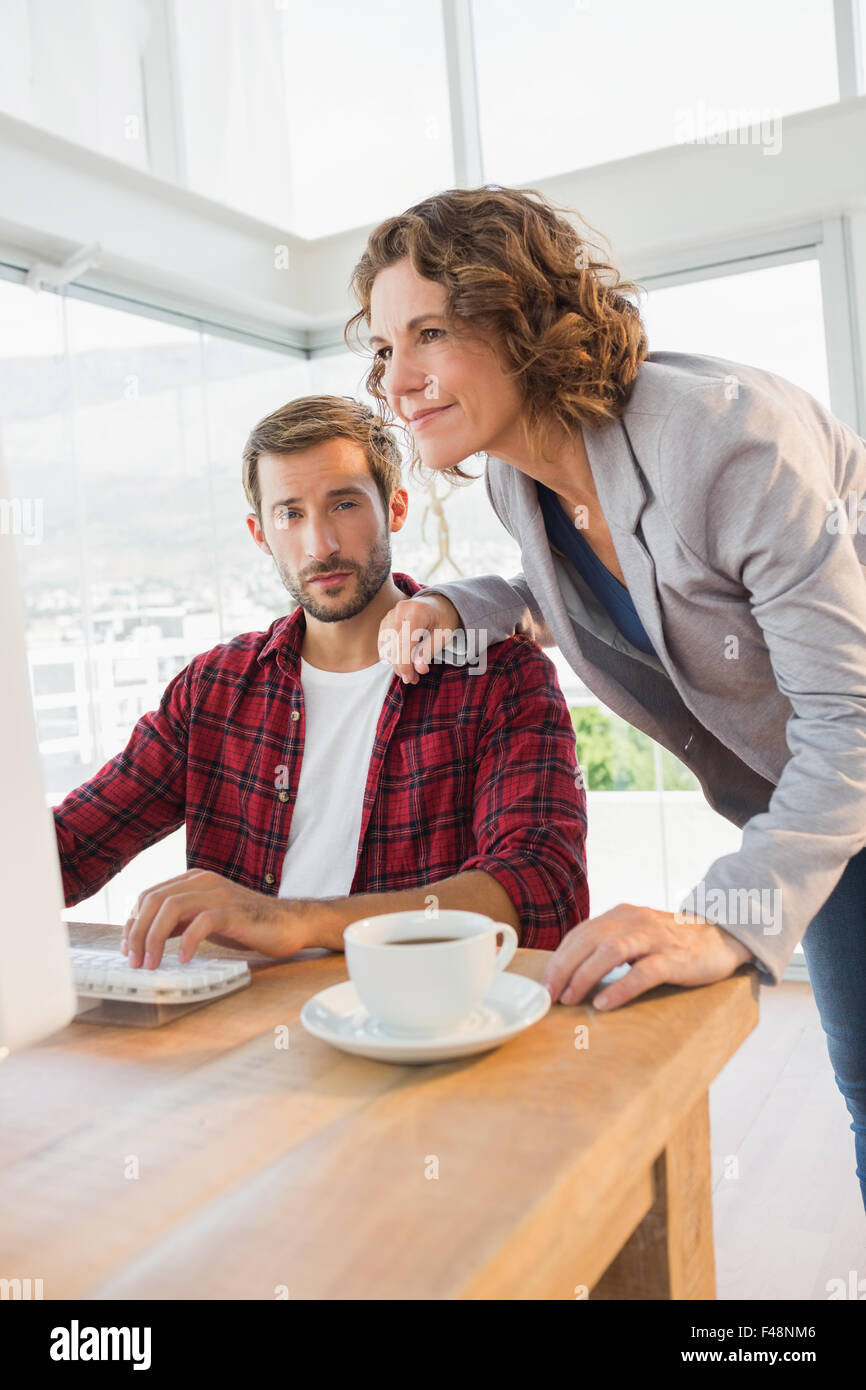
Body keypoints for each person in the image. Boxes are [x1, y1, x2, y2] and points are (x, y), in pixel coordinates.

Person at [356, 185, 866, 1209]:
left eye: (430, 334)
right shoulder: (518, 476)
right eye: (380, 347)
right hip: (816, 810)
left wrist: (719, 920)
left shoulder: (730, 442)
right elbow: (597, 591)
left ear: (521, 323)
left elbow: (850, 716)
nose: (396, 381)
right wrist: (465, 601)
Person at [53, 394, 589, 968]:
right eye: (291, 514)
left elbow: (542, 888)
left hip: (416, 1024)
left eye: (344, 505)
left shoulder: (501, 677)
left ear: (396, 508)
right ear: (260, 533)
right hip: (239, 1028)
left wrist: (291, 919)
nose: (321, 546)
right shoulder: (214, 689)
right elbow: (70, 850)